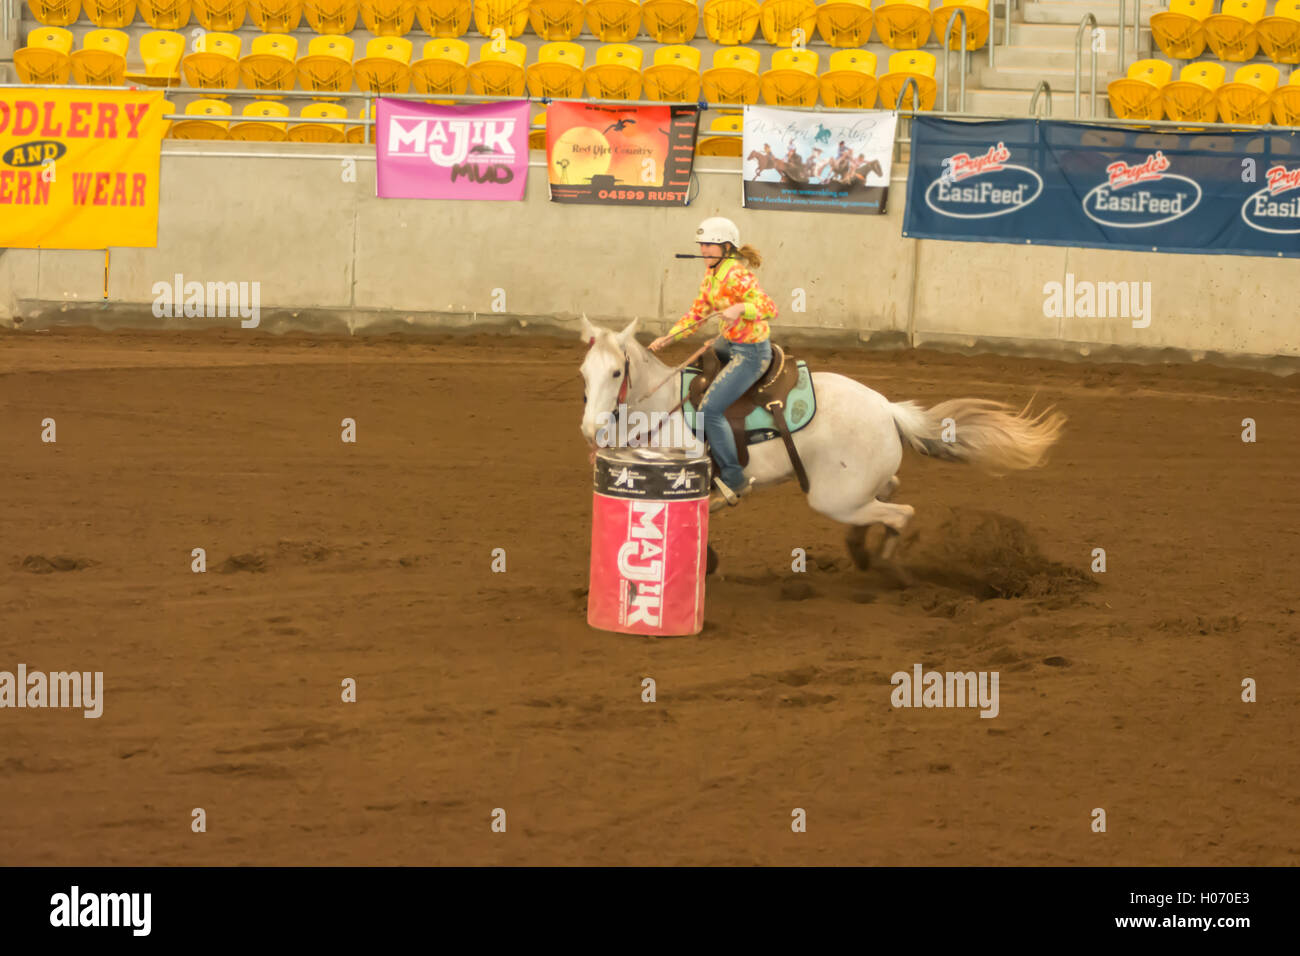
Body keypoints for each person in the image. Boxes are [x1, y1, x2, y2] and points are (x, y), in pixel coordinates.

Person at [649, 217, 777, 511]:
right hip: (729, 342)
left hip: (751, 351)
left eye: (709, 244)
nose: (704, 249)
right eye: (702, 244)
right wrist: (669, 337)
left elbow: (769, 308)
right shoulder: (711, 275)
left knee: (709, 410)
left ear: (725, 247)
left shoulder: (737, 275)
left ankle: (734, 478)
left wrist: (740, 308)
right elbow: (696, 315)